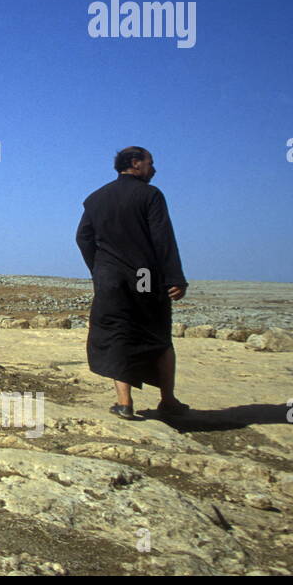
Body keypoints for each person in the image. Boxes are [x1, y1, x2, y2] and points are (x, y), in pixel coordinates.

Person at [75, 147, 190, 420]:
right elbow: (163, 239)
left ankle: (124, 402)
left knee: (117, 335)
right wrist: (175, 277)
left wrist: (100, 269)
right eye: (151, 163)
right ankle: (168, 400)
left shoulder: (95, 198)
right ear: (135, 163)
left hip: (111, 280)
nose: (154, 169)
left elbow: (83, 238)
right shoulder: (150, 195)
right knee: (157, 335)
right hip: (145, 278)